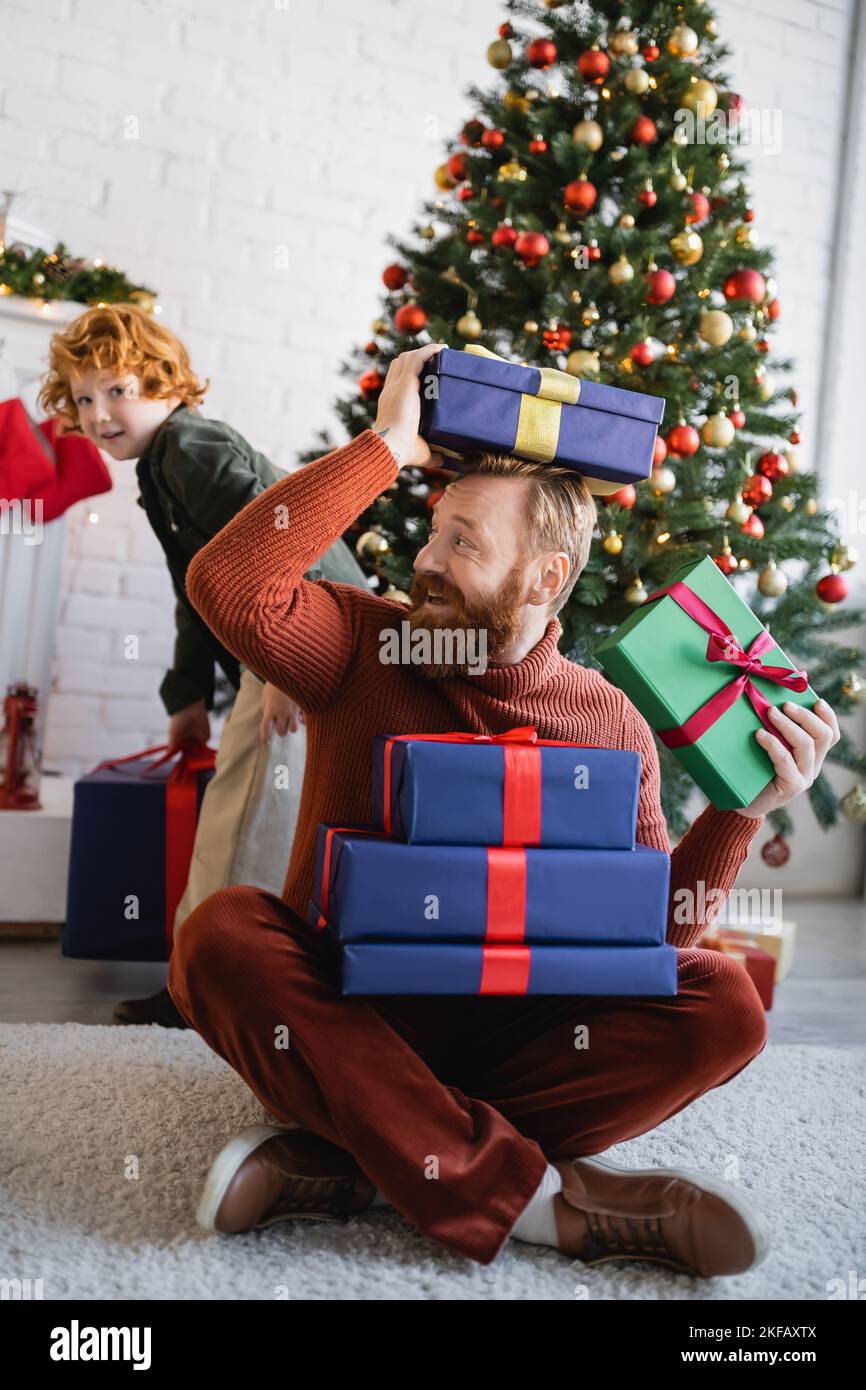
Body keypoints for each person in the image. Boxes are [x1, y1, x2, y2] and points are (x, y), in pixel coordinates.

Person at [167, 343, 839, 1274]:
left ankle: (366, 1156)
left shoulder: (609, 721)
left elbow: (658, 940)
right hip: (351, 1014)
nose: (425, 562)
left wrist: (741, 809)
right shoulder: (366, 647)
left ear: (545, 576)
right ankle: (536, 1201)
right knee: (221, 934)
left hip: (518, 1048)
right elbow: (228, 585)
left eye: (464, 543)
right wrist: (387, 446)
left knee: (725, 1004)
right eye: (433, 531)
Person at [39, 304, 368, 1027]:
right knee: (274, 806)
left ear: (167, 385)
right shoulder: (159, 470)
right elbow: (198, 589)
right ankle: (252, 978)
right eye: (85, 398)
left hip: (302, 624)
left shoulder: (192, 446)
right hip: (283, 627)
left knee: (241, 806)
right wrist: (186, 693)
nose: (100, 414)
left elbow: (289, 535)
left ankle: (200, 989)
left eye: (119, 390)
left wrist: (283, 665)